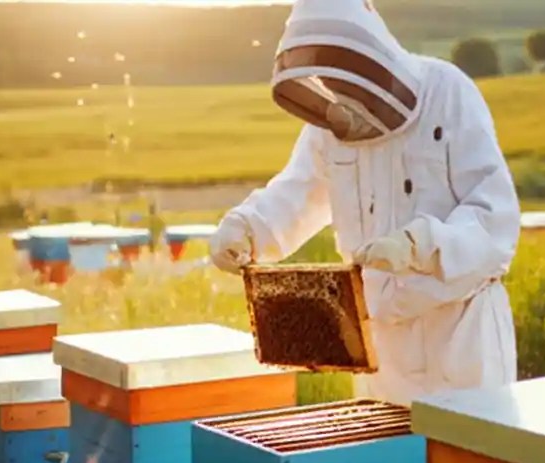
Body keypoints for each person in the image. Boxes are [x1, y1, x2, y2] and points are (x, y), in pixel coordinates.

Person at [208, 0, 519, 406]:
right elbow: (298, 192)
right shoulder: (332, 127)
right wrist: (247, 227)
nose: (340, 89)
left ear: (370, 51)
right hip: (379, 344)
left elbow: (494, 219)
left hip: (459, 339)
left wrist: (419, 245)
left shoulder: (448, 92)